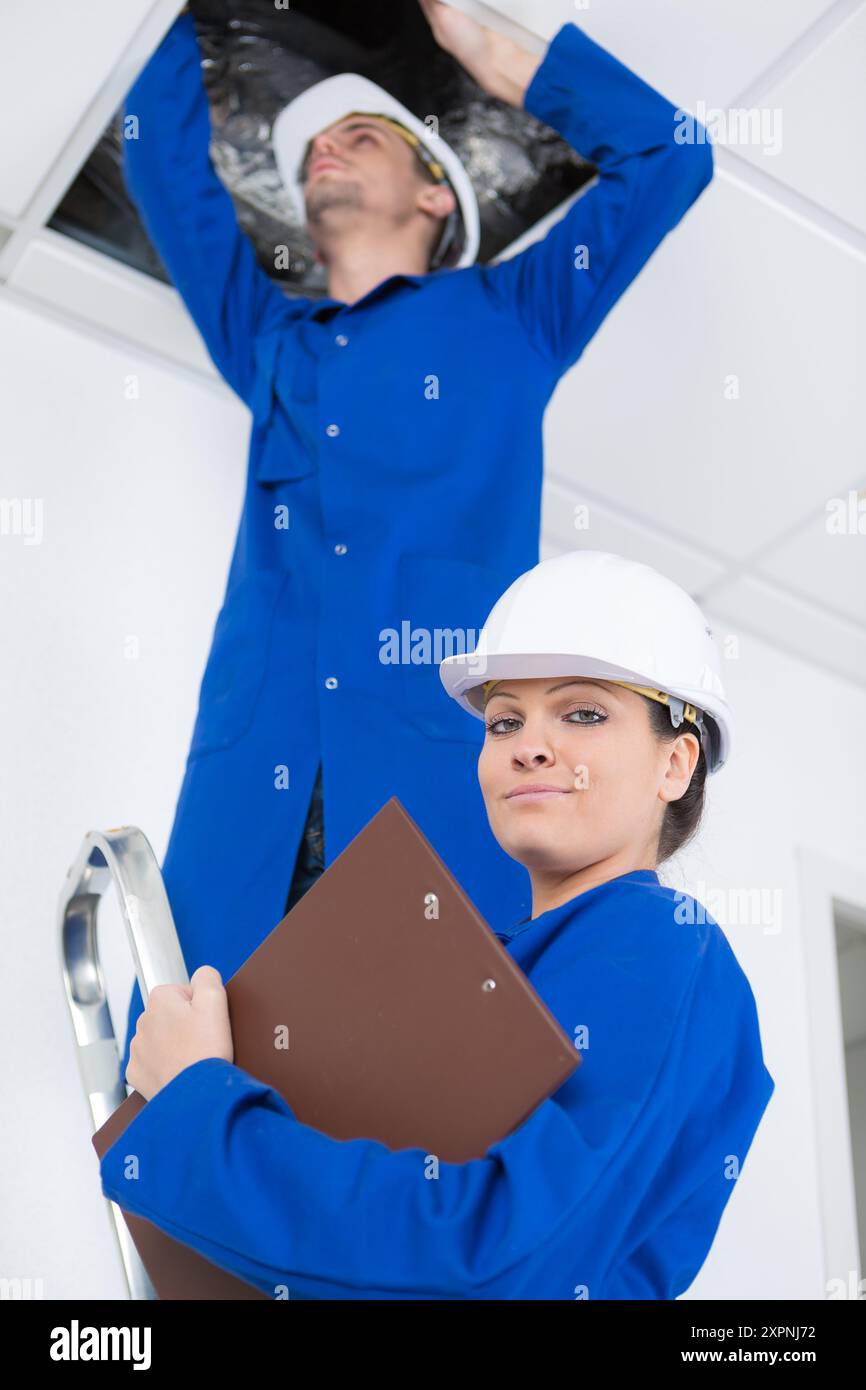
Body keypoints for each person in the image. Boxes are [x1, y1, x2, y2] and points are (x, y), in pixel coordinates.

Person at [117, 0, 714, 1076]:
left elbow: (670, 155)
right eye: (308, 152)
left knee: (416, 1112)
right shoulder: (272, 345)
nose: (323, 150)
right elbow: (166, 164)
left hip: (422, 796)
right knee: (189, 1113)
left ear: (435, 191)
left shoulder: (513, 315)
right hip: (256, 789)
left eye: (361, 135)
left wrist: (491, 51)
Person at [100, 550, 774, 1300]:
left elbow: (497, 1262)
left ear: (675, 764)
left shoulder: (661, 942)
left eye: (583, 712)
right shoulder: (481, 963)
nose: (529, 744)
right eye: (504, 720)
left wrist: (197, 1107)